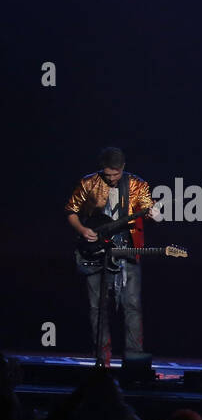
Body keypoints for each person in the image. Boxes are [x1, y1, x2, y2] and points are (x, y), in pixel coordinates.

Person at [65, 147, 164, 365]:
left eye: (116, 174)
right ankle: (102, 358)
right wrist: (83, 231)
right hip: (95, 251)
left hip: (127, 252)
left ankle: (134, 358)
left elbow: (151, 213)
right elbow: (71, 210)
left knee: (132, 305)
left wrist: (155, 214)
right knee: (97, 307)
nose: (111, 179)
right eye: (107, 174)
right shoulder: (88, 183)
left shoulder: (138, 185)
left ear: (123, 168)